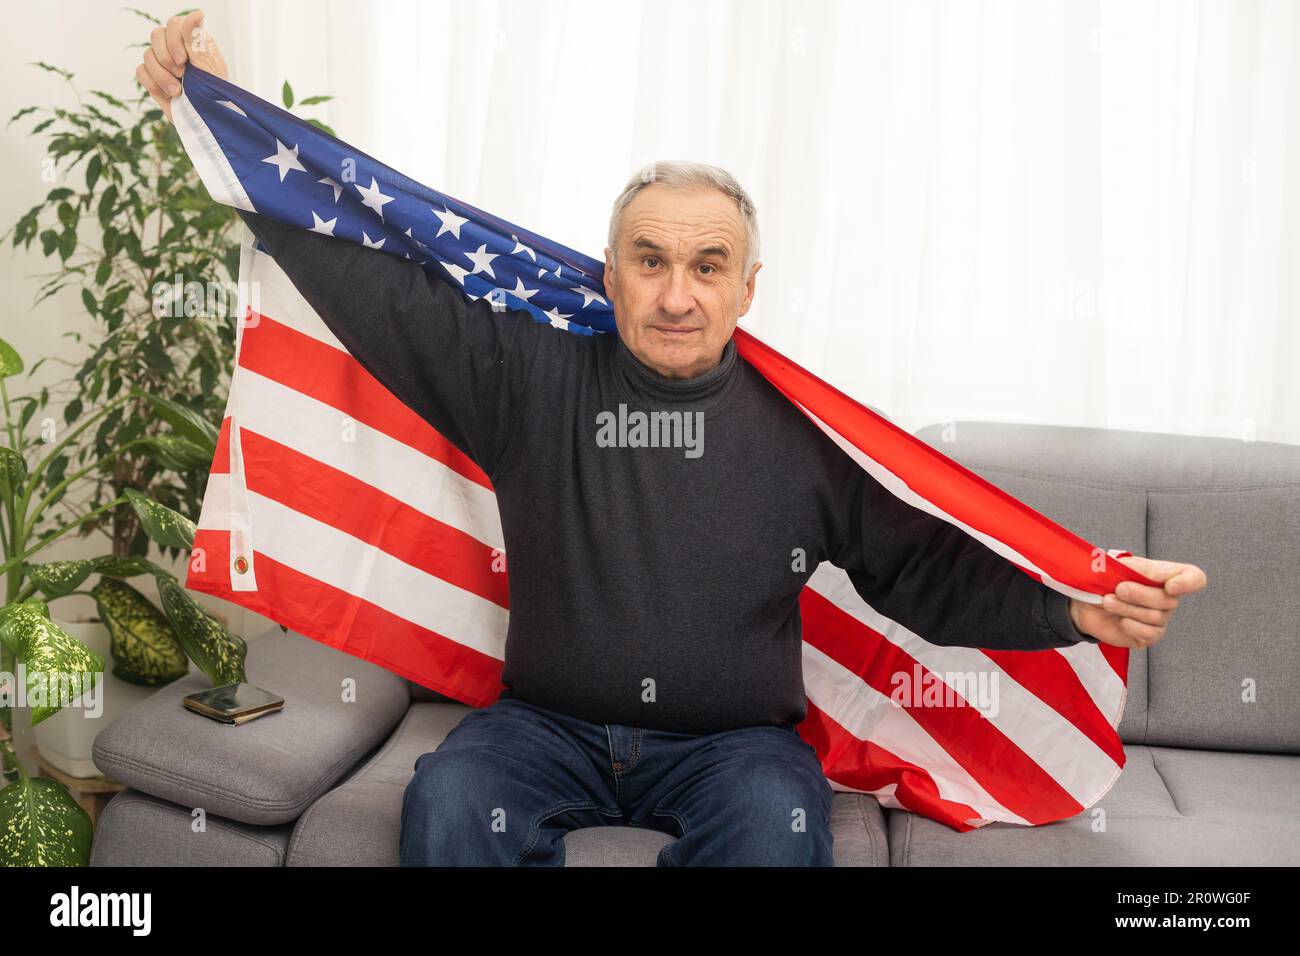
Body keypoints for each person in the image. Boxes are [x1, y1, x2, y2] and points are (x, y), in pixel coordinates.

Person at [138, 12, 1209, 867]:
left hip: (733, 749)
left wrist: (1071, 604)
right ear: (610, 274)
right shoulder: (525, 380)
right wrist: (225, 117)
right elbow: (370, 278)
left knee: (781, 842)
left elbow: (922, 571)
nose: (676, 293)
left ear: (748, 287)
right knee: (448, 808)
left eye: (706, 266)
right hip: (541, 728)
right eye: (649, 260)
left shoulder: (804, 435)